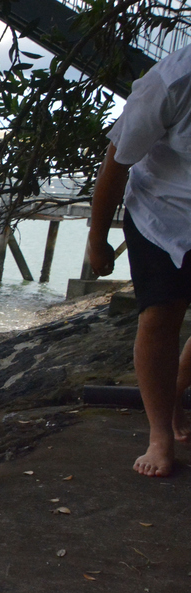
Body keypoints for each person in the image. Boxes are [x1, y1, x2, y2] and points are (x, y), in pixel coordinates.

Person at [87, 43, 191, 477]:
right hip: (159, 215)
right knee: (160, 317)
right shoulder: (172, 81)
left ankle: (176, 395)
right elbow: (117, 163)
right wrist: (97, 238)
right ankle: (159, 436)